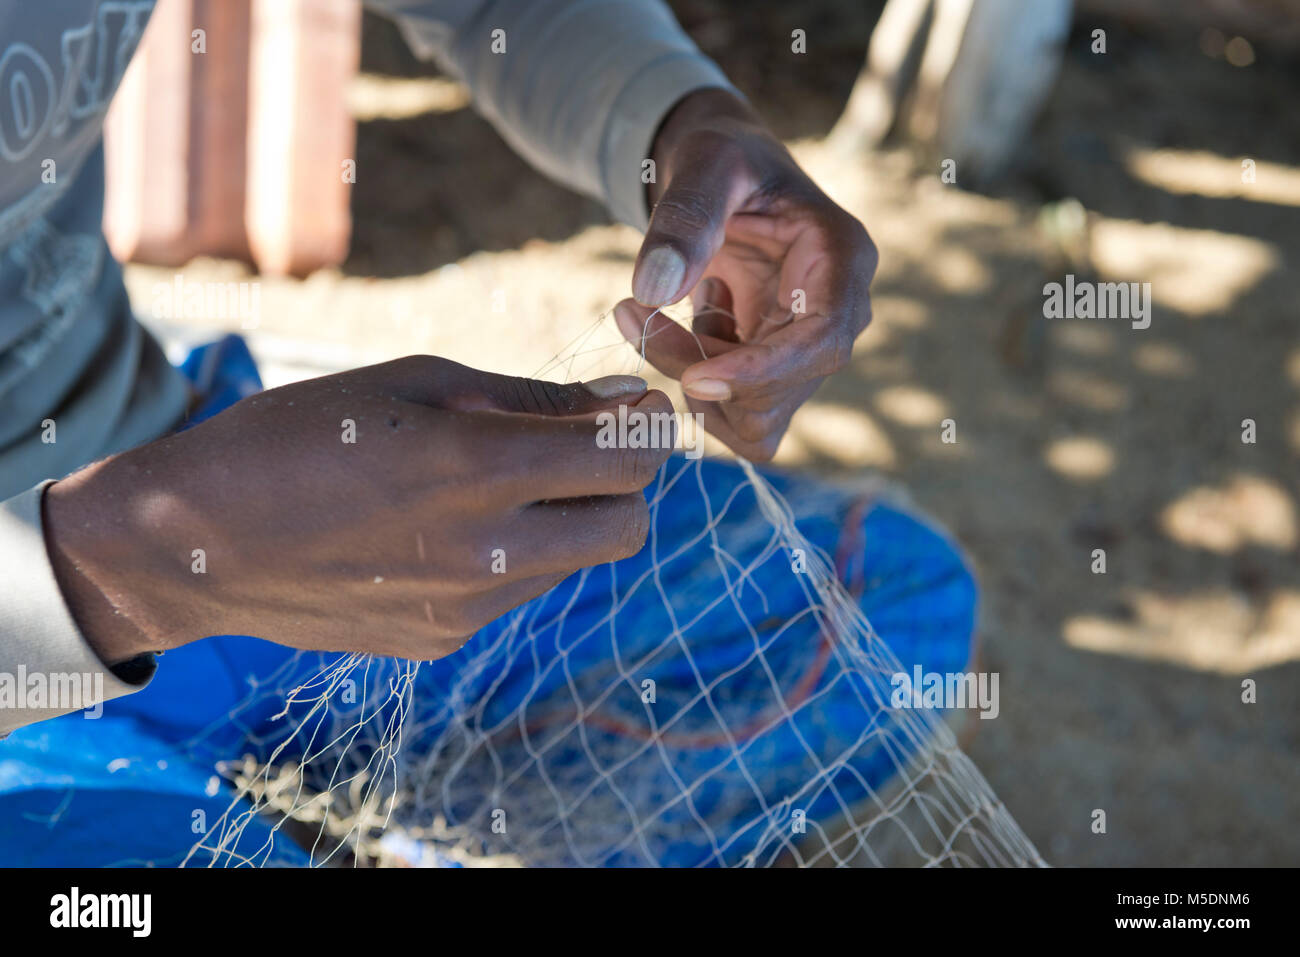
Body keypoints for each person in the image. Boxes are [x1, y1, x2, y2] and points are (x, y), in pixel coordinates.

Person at [0, 0, 976, 867]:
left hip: (175, 465)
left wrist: (679, 119)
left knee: (880, 601)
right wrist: (140, 567)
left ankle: (426, 806)